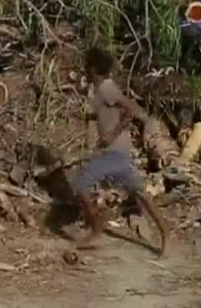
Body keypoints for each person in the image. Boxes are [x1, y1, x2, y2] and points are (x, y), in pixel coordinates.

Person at [70, 47, 169, 255]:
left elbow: (131, 108)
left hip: (113, 152)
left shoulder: (106, 88)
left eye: (88, 67)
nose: (86, 70)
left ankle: (96, 232)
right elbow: (115, 112)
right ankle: (164, 232)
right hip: (119, 152)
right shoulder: (102, 89)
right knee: (140, 192)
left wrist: (111, 135)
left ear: (94, 69)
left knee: (81, 184)